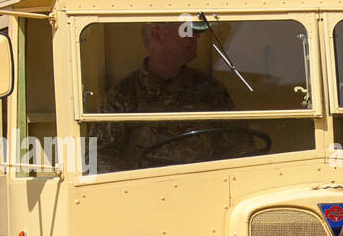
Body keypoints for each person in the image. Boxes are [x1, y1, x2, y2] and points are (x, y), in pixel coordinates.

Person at [93, 22, 237, 172]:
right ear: (157, 35)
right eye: (186, 30)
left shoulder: (211, 92)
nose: (196, 36)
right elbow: (96, 156)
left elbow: (239, 149)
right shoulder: (122, 96)